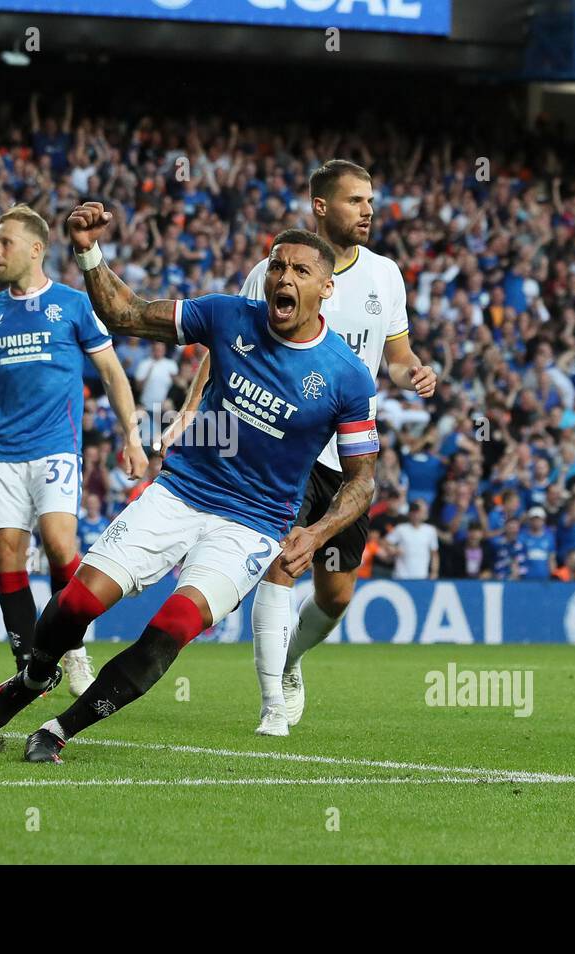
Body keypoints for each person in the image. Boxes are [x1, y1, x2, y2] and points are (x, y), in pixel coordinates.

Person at [0, 207, 379, 764]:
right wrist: (89, 251)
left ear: (326, 287)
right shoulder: (229, 316)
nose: (285, 278)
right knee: (79, 601)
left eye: (301, 272)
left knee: (173, 627)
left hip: (253, 525)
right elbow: (126, 313)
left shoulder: (347, 376)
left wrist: (318, 530)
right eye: (278, 267)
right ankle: (36, 673)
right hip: (181, 492)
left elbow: (363, 482)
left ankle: (60, 729)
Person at [168, 159, 436, 735]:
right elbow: (222, 349)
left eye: (370, 200)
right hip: (283, 447)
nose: (369, 210)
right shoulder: (273, 273)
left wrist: (413, 370)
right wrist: (188, 414)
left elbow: (395, 354)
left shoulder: (386, 275)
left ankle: (291, 661)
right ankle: (271, 707)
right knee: (281, 567)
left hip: (348, 455)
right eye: (356, 201)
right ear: (321, 206)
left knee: (337, 595)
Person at [0, 204, 148, 696]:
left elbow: (111, 372)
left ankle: (75, 650)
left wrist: (132, 435)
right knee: (8, 555)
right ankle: (29, 666)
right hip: (0, 452)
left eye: (4, 242)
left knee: (60, 543)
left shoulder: (71, 304)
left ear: (36, 249)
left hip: (56, 448)